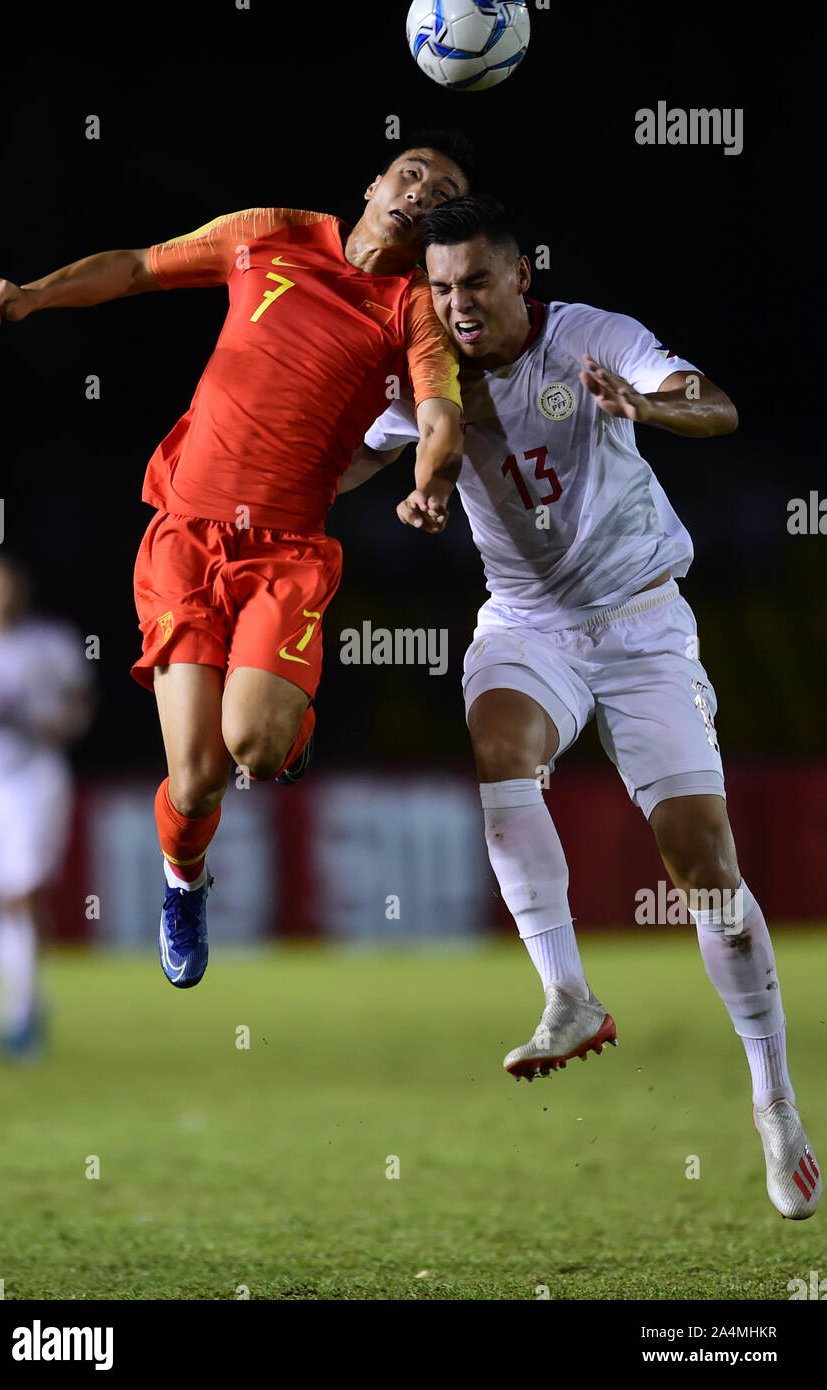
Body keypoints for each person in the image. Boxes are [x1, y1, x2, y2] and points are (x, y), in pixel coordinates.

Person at [341, 194, 821, 1221]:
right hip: (526, 625)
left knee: (705, 865)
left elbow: (715, 404)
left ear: (521, 278)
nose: (457, 304)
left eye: (475, 281)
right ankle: (568, 993)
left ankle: (772, 1093)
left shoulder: (590, 337)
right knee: (497, 747)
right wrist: (259, 484)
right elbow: (362, 455)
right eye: (439, 288)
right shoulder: (434, 370)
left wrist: (645, 406)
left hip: (642, 623)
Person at [0, 134, 468, 989]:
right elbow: (135, 267)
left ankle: (289, 737)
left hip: (287, 553)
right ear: (375, 182)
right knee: (198, 780)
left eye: (443, 191)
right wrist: (33, 296)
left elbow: (437, 415)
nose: (421, 192)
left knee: (255, 747)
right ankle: (185, 881)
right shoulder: (271, 232)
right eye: (411, 172)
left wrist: (431, 484)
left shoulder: (412, 307)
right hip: (185, 535)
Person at [0, 554, 93, 1060]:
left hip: (36, 780)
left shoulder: (50, 642)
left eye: (7, 587)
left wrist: (64, 724)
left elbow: (80, 703)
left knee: (23, 890)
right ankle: (28, 997)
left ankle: (15, 1014)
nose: (0, 598)